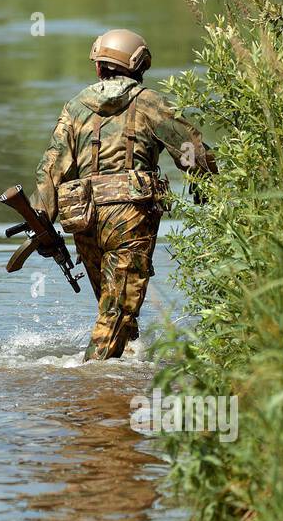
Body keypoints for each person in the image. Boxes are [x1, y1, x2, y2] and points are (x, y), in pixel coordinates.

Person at [33, 29, 217, 360]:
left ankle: (116, 385)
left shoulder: (75, 107)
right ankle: (89, 384)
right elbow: (194, 154)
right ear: (139, 67)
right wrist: (204, 182)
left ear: (99, 68)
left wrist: (42, 221)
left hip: (83, 221)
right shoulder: (150, 103)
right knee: (116, 313)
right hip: (130, 219)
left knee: (114, 307)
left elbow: (51, 169)